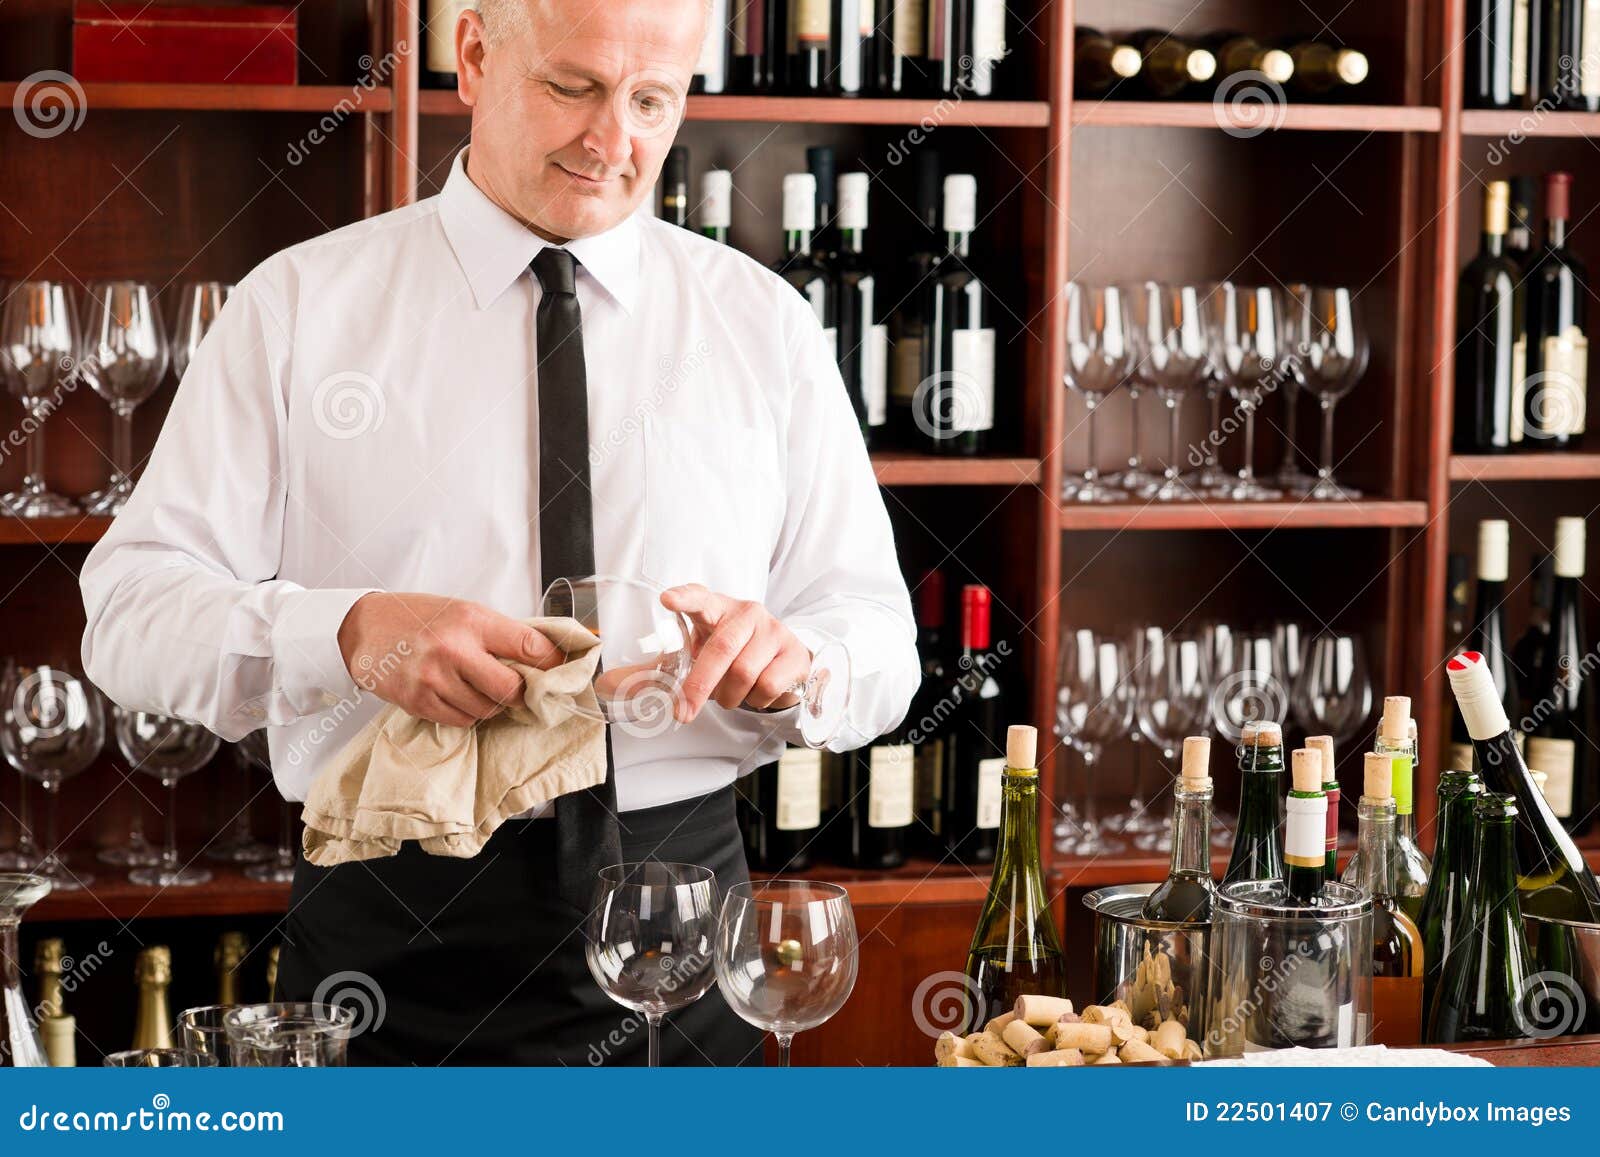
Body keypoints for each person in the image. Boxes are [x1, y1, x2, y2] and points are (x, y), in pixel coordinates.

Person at [79, 0, 917, 1065]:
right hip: (391, 926)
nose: (611, 141)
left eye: (651, 100)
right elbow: (128, 616)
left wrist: (802, 662)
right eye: (573, 86)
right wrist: (348, 632)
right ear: (472, 55)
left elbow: (879, 643)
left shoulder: (765, 325)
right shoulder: (297, 306)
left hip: (689, 930)